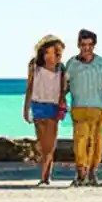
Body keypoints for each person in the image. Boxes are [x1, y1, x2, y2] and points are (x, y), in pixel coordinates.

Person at [63, 28, 102, 187]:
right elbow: (65, 85)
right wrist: (61, 101)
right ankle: (80, 175)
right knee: (80, 142)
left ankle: (92, 174)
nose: (86, 48)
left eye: (90, 44)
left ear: (94, 45)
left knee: (96, 143)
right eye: (83, 44)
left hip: (98, 108)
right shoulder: (72, 64)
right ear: (79, 44)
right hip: (79, 108)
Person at [23, 35, 66, 186]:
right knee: (42, 144)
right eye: (52, 52)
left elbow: (63, 89)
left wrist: (63, 102)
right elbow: (29, 87)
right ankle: (45, 174)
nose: (54, 56)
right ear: (44, 52)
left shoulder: (61, 68)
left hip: (53, 106)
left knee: (51, 144)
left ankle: (45, 176)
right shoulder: (35, 66)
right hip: (38, 105)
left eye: (58, 53)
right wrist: (26, 108)